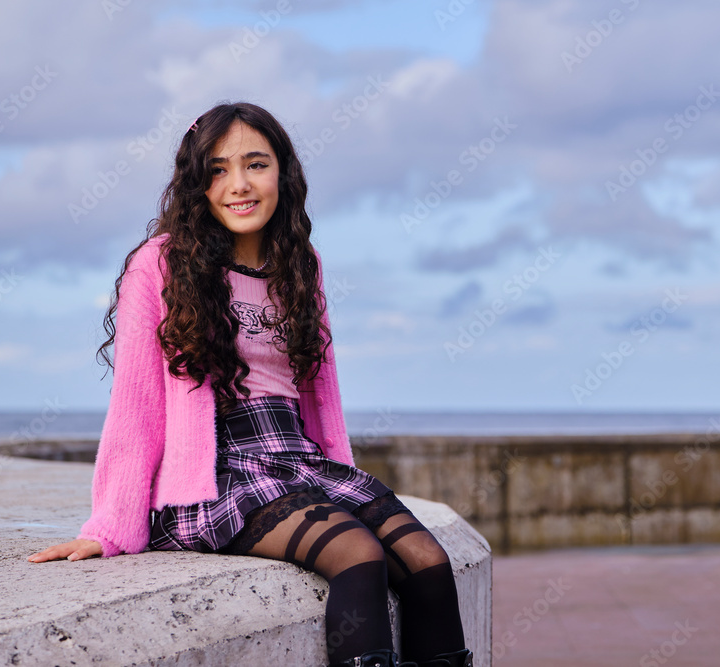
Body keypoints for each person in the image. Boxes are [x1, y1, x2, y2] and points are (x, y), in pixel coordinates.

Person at [27, 102, 473, 667]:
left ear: (282, 174)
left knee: (428, 562)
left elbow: (320, 394)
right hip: (215, 474)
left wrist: (343, 480)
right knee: (358, 556)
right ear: (198, 185)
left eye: (256, 165)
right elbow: (135, 408)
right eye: (217, 169)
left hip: (296, 458)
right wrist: (110, 526)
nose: (238, 185)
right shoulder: (160, 265)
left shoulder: (299, 263)